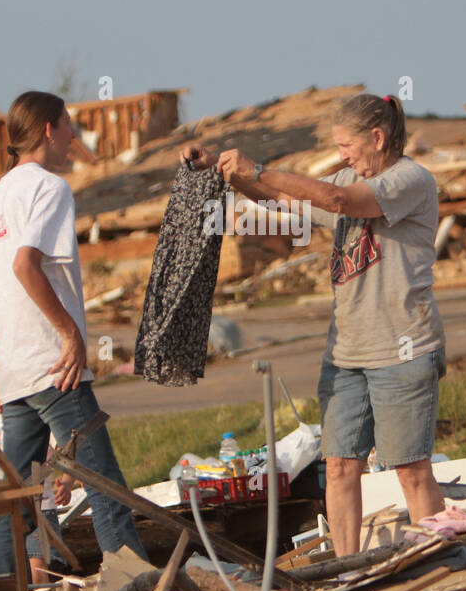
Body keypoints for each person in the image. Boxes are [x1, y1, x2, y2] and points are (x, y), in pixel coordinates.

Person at [181, 93, 446, 557]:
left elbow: (338, 199)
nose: (341, 155)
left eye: (347, 145)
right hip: (346, 357)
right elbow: (284, 201)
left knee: (410, 468)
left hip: (402, 352)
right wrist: (232, 175)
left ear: (378, 138)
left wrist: (259, 167)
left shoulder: (409, 180)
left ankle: (442, 561)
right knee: (341, 466)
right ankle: (346, 569)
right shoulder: (347, 177)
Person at [0, 90, 147, 578]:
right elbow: (24, 266)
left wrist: (0, 352)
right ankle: (137, 588)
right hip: (54, 369)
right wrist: (70, 334)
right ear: (49, 130)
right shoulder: (49, 188)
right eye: (69, 125)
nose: (74, 135)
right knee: (104, 483)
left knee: (17, 495)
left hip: (16, 377)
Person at [0, 356, 73, 580]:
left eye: (2, 390)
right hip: (1, 508)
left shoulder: (39, 420)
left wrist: (67, 482)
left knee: (38, 572)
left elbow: (67, 455)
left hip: (39, 509)